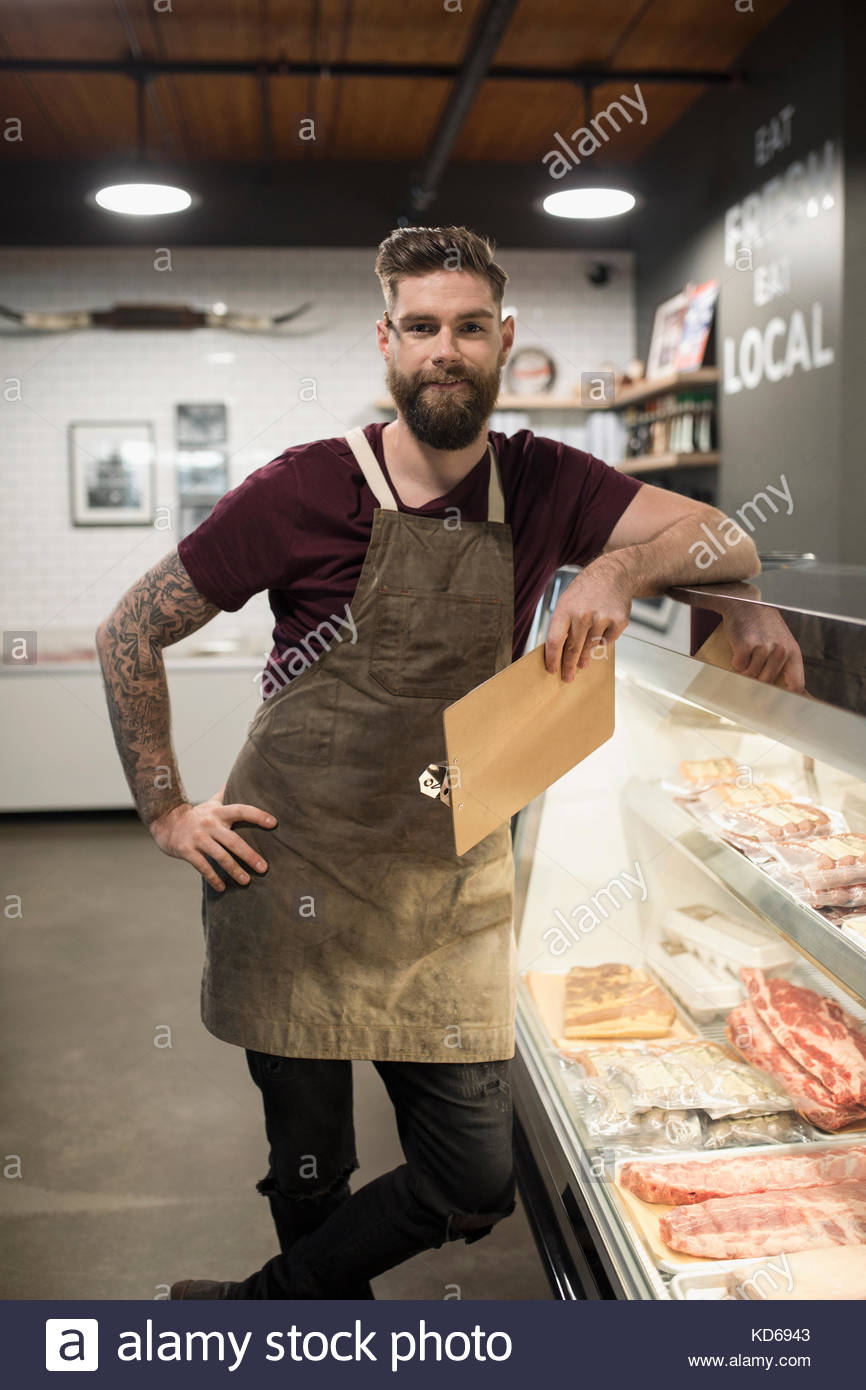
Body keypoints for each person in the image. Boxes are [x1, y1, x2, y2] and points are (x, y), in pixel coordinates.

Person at [96, 224, 780, 1301]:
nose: (443, 350)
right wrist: (167, 810)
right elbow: (129, 628)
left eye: (468, 328)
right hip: (290, 884)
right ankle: (321, 1335)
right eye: (420, 328)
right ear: (387, 342)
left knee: (476, 1174)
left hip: (446, 892)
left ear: (502, 339)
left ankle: (259, 1313)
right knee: (312, 1174)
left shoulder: (543, 478)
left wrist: (617, 567)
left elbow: (724, 535)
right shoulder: (303, 488)